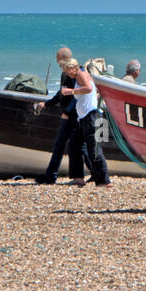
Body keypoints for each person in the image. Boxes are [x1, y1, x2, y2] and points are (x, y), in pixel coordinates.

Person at [35, 46, 86, 185]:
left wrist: (67, 112)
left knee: (62, 145)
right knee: (79, 146)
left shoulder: (70, 72)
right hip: (76, 114)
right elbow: (61, 93)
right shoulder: (72, 71)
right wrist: (47, 104)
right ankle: (96, 175)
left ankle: (51, 176)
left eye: (57, 59)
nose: (57, 62)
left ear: (62, 60)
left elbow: (76, 96)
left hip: (72, 115)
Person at [61, 57, 110, 186]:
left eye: (68, 70)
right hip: (83, 118)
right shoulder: (79, 76)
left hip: (91, 116)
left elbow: (88, 88)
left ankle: (104, 181)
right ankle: (78, 178)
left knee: (94, 149)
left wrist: (71, 91)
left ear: (74, 68)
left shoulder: (81, 75)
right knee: (74, 145)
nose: (67, 73)